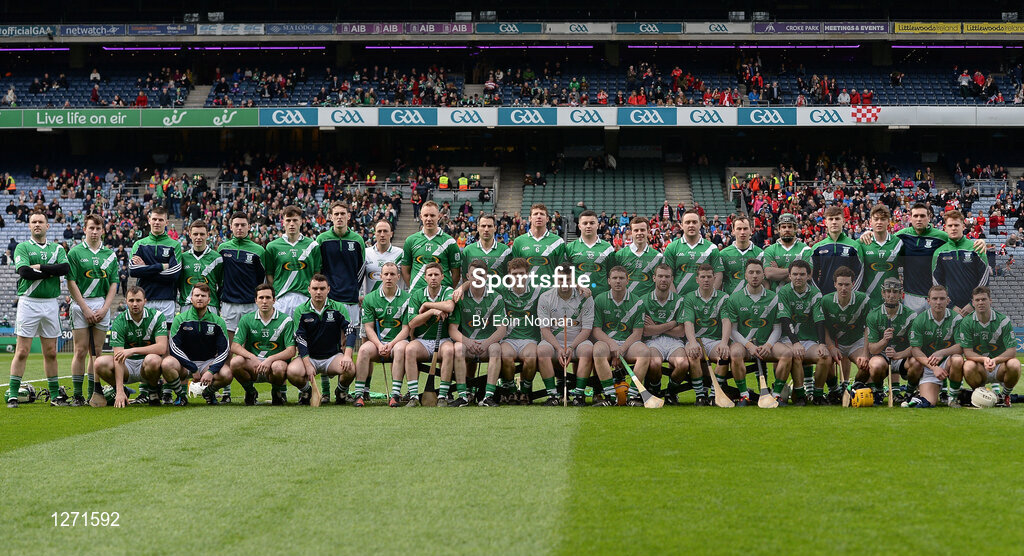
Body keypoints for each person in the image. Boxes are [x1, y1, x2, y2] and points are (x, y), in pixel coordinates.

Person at [863, 202, 984, 314]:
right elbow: (884, 238)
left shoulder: (941, 236)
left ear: (929, 217)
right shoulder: (902, 235)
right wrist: (868, 233)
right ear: (910, 218)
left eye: (922, 216)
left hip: (934, 296)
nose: (919, 219)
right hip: (911, 296)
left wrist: (979, 242)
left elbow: (958, 239)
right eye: (915, 216)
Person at [6, 211, 70, 408]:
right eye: (33, 222)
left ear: (47, 226)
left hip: (50, 303)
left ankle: (54, 396)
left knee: (50, 352)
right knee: (22, 350)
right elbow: (24, 272)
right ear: (29, 226)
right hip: (29, 303)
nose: (37, 224)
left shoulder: (57, 248)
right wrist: (51, 270)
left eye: (41, 221)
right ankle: (13, 396)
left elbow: (64, 269)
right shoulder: (22, 247)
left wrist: (40, 266)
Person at [722, 259, 791, 406]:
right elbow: (733, 330)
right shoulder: (734, 298)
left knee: (787, 353)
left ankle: (777, 394)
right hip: (744, 344)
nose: (754, 275)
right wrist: (749, 345)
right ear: (745, 276)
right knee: (735, 354)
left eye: (758, 272)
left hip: (767, 344)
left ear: (763, 276)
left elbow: (777, 328)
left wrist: (768, 345)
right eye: (751, 272)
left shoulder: (773, 298)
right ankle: (744, 395)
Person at [66, 214, 118, 406]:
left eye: (98, 228)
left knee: (96, 351)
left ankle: (93, 392)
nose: (94, 232)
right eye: (91, 228)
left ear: (102, 230)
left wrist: (105, 308)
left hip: (101, 305)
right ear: (84, 229)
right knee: (80, 350)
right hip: (81, 305)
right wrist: (85, 308)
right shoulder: (75, 253)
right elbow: (71, 282)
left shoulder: (110, 255)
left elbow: (113, 284)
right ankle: (78, 395)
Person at [316, 201, 366, 400]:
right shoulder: (322, 239)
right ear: (330, 216)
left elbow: (361, 270)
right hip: (329, 300)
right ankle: (326, 391)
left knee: (348, 342)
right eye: (335, 214)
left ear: (348, 217)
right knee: (326, 343)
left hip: (350, 299)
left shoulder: (357, 240)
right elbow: (319, 270)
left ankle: (342, 390)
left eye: (342, 214)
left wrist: (354, 289)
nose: (339, 217)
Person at [217, 212, 266, 403]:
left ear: (248, 227)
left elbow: (262, 279)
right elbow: (219, 276)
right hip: (229, 305)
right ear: (230, 227)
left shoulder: (258, 250)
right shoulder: (223, 248)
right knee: (228, 349)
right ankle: (227, 392)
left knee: (249, 349)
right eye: (236, 225)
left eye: (243, 225)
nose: (239, 228)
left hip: (250, 306)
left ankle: (252, 388)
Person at [287, 274, 357, 406]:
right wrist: (307, 365)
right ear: (309, 289)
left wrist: (347, 355)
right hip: (310, 358)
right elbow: (300, 339)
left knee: (350, 369)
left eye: (322, 288)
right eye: (315, 288)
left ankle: (341, 392)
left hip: (332, 357)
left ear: (328, 289)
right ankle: (307, 392)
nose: (318, 292)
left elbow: (351, 330)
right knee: (292, 371)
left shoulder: (338, 307)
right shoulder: (301, 311)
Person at [94, 286, 168, 407]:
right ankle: (124, 391)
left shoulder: (157, 317)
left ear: (145, 301)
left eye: (138, 300)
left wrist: (132, 350)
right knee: (99, 363)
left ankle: (153, 390)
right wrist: (119, 391)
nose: (135, 304)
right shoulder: (119, 320)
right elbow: (118, 358)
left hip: (147, 364)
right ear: (126, 301)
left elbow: (162, 347)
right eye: (131, 300)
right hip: (126, 366)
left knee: (153, 360)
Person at [161, 283, 231, 406]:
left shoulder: (218, 321)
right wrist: (192, 367)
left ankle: (208, 392)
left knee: (227, 374)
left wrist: (211, 371)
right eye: (197, 295)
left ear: (209, 300)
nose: (199, 298)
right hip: (185, 364)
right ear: (191, 299)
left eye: (203, 296)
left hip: (207, 363)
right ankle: (181, 395)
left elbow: (224, 350)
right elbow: (174, 347)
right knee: (167, 363)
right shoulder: (180, 319)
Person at [588, 266, 648, 407]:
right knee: (598, 350)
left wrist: (622, 348)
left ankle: (632, 396)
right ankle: (609, 397)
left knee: (645, 352)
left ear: (628, 280)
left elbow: (637, 333)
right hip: (607, 342)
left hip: (629, 343)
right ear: (609, 281)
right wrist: (612, 344)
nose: (618, 281)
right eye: (614, 278)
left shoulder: (637, 302)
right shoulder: (600, 299)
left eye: (621, 278)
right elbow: (596, 330)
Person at [536, 262, 593, 407]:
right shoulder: (545, 297)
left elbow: (586, 329)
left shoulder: (585, 297)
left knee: (587, 350)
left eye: (568, 280)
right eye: (561, 280)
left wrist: (571, 347)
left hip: (577, 342)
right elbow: (545, 329)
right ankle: (553, 395)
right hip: (553, 342)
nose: (565, 283)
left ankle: (579, 395)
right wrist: (559, 349)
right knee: (542, 350)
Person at [229, 284, 296, 406]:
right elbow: (235, 346)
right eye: (261, 298)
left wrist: (270, 359)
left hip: (274, 365)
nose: (264, 301)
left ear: (274, 300)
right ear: (255, 300)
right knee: (235, 362)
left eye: (268, 297)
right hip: (253, 364)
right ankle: (250, 392)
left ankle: (276, 393)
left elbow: (291, 350)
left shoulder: (286, 320)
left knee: (279, 367)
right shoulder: (246, 319)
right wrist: (252, 357)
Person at [775, 260, 829, 406]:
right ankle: (800, 396)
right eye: (795, 274)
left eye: (802, 274)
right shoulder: (784, 292)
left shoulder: (815, 293)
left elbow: (819, 320)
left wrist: (822, 344)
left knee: (825, 357)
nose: (798, 277)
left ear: (808, 276)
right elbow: (785, 320)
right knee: (796, 355)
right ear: (789, 276)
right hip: (788, 339)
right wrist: (795, 342)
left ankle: (817, 395)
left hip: (808, 340)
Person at [358, 262, 411, 407]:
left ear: (398, 277)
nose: (389, 277)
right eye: (386, 274)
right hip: (378, 342)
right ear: (380, 276)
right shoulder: (370, 298)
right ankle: (359, 393)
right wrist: (379, 345)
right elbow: (368, 327)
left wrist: (390, 344)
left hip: (398, 341)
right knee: (363, 350)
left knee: (400, 349)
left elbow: (406, 329)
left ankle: (395, 395)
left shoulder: (407, 298)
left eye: (392, 274)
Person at [955, 287, 1019, 407]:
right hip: (980, 367)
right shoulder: (966, 322)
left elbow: (1012, 351)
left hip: (999, 366)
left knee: (1014, 364)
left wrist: (995, 360)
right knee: (968, 366)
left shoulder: (1003, 321)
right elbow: (967, 352)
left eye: (984, 299)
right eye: (977, 300)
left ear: (990, 300)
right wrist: (984, 360)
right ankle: (981, 394)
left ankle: (1004, 396)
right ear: (973, 303)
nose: (981, 302)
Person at [404, 263, 456, 407]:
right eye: (430, 275)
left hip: (444, 339)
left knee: (449, 351)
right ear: (425, 277)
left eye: (436, 275)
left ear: (442, 277)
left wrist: (427, 304)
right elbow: (412, 323)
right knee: (409, 350)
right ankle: (413, 396)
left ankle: (442, 396)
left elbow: (450, 306)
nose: (433, 278)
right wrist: (431, 312)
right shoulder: (417, 294)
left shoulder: (447, 291)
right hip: (422, 341)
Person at [638, 263, 690, 404]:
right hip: (652, 341)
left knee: (683, 364)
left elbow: (681, 332)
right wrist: (671, 323)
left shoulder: (679, 300)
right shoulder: (644, 300)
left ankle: (671, 392)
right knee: (654, 364)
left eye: (667, 277)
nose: (663, 279)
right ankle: (655, 389)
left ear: (672, 279)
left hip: (675, 342)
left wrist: (657, 326)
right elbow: (646, 330)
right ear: (654, 278)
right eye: (660, 276)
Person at [905, 285, 963, 408]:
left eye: (942, 299)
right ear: (928, 300)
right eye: (935, 298)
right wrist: (934, 367)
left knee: (958, 359)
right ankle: (912, 391)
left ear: (948, 301)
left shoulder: (956, 318)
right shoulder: (920, 319)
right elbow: (915, 350)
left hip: (947, 362)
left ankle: (953, 397)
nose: (938, 302)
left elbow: (961, 346)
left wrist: (942, 352)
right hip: (928, 364)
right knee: (930, 402)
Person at [682, 263, 732, 406]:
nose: (706, 280)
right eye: (702, 277)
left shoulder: (723, 297)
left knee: (723, 356)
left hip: (714, 340)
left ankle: (713, 394)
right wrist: (692, 342)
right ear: (697, 279)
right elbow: (688, 323)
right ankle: (700, 395)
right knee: (693, 355)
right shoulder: (690, 297)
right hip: (696, 339)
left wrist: (724, 342)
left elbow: (726, 321)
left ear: (714, 278)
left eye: (709, 277)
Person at [820, 266, 870, 403]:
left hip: (855, 343)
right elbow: (822, 327)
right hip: (835, 343)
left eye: (847, 284)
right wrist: (830, 347)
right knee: (825, 360)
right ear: (834, 284)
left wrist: (866, 353)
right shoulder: (825, 301)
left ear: (853, 284)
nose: (843, 288)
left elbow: (868, 328)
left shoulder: (864, 300)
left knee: (867, 366)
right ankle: (834, 390)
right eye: (840, 284)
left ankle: (852, 388)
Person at [864, 278, 916, 406]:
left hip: (902, 355)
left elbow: (915, 346)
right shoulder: (873, 315)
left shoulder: (911, 315)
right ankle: (879, 392)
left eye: (895, 292)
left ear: (900, 294)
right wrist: (884, 341)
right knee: (875, 365)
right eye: (888, 291)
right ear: (882, 293)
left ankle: (909, 394)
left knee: (916, 363)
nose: (891, 295)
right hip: (882, 355)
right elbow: (872, 349)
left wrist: (898, 355)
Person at [128, 205, 182, 329]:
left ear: (166, 222)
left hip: (167, 299)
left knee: (166, 342)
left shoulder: (174, 245)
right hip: (145, 299)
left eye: (161, 220)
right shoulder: (139, 244)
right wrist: (161, 266)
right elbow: (133, 271)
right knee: (145, 341)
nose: (157, 222)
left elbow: (173, 275)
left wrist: (145, 268)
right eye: (155, 219)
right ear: (149, 220)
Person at [266, 206, 321, 318]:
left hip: (305, 297)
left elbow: (317, 274)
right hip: (281, 298)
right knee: (282, 334)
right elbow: (269, 274)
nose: (292, 224)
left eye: (295, 220)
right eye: (288, 220)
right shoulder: (272, 246)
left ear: (301, 221)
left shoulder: (312, 245)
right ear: (283, 222)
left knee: (306, 335)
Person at [932, 210, 989, 316]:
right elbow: (937, 283)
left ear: (963, 226)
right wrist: (950, 306)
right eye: (950, 225)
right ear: (945, 228)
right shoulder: (939, 252)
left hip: (975, 308)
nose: (953, 228)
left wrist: (973, 304)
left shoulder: (976, 248)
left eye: (956, 225)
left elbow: (984, 279)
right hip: (951, 310)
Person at [402, 201, 461, 292]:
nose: (429, 219)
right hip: (417, 294)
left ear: (439, 216)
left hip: (441, 297)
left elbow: (456, 273)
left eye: (432, 215)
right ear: (421, 217)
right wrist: (414, 287)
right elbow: (405, 269)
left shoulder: (450, 242)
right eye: (426, 215)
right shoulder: (411, 241)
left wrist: (446, 291)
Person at [664, 209, 723, 295]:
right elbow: (667, 276)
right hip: (680, 301)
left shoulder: (712, 248)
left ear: (700, 224)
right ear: (681, 225)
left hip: (704, 303)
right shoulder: (671, 248)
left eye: (694, 222)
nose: (691, 225)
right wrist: (676, 300)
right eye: (687, 222)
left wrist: (708, 297)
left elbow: (718, 275)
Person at [811, 206, 864, 296]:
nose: (834, 222)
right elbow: (812, 276)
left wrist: (852, 294)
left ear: (843, 221)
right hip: (824, 297)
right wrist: (818, 295)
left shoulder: (854, 246)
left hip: (848, 298)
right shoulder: (817, 248)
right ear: (826, 222)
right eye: (831, 219)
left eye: (837, 219)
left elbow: (860, 274)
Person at [565, 210, 615, 296]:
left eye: (592, 223)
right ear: (579, 226)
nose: (588, 226)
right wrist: (577, 286)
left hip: (601, 296)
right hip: (576, 296)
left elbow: (611, 274)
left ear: (598, 225)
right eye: (585, 223)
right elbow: (565, 274)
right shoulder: (570, 247)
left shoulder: (608, 248)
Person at [861, 205, 903, 306]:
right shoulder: (861, 243)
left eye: (883, 219)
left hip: (892, 299)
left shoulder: (898, 243)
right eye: (876, 219)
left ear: (888, 221)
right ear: (870, 221)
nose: (879, 222)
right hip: (868, 299)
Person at [511, 203, 565, 282]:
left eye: (542, 214)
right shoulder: (518, 241)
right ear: (530, 218)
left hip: (549, 291)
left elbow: (562, 271)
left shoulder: (558, 242)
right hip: (526, 291)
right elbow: (514, 271)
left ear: (547, 219)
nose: (539, 217)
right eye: (535, 214)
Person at [614, 217, 663, 298]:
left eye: (642, 230)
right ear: (631, 232)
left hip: (648, 304)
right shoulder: (620, 255)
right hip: (625, 303)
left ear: (648, 231)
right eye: (636, 230)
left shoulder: (658, 257)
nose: (639, 233)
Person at [762, 213, 812, 288]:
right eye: (784, 227)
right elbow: (769, 274)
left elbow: (807, 276)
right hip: (777, 297)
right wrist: (797, 271)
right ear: (779, 229)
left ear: (795, 229)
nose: (787, 229)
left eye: (790, 227)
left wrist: (778, 270)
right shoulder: (770, 250)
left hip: (800, 297)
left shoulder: (806, 249)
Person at [719, 215, 763, 295]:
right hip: (730, 302)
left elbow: (764, 280)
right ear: (733, 231)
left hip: (753, 301)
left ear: (751, 231)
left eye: (745, 229)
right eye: (739, 229)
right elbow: (719, 281)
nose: (742, 232)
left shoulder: (760, 253)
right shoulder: (723, 254)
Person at [363, 220, 404, 294]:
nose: (382, 234)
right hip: (371, 302)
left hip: (394, 303)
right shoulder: (366, 253)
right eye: (379, 231)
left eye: (385, 231)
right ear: (375, 234)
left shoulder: (401, 254)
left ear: (391, 234)